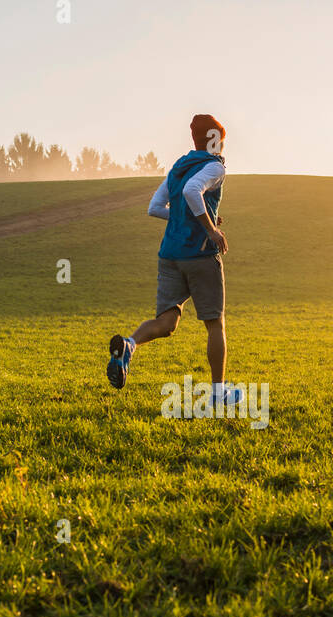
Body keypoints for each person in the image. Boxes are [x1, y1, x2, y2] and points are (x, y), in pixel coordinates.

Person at [106, 114, 241, 406]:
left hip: (170, 255)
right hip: (200, 254)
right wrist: (210, 229)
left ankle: (129, 345)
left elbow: (155, 208)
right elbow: (194, 191)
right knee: (215, 324)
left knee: (167, 322)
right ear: (215, 140)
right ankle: (219, 394)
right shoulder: (215, 167)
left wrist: (189, 217)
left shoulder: (179, 167)